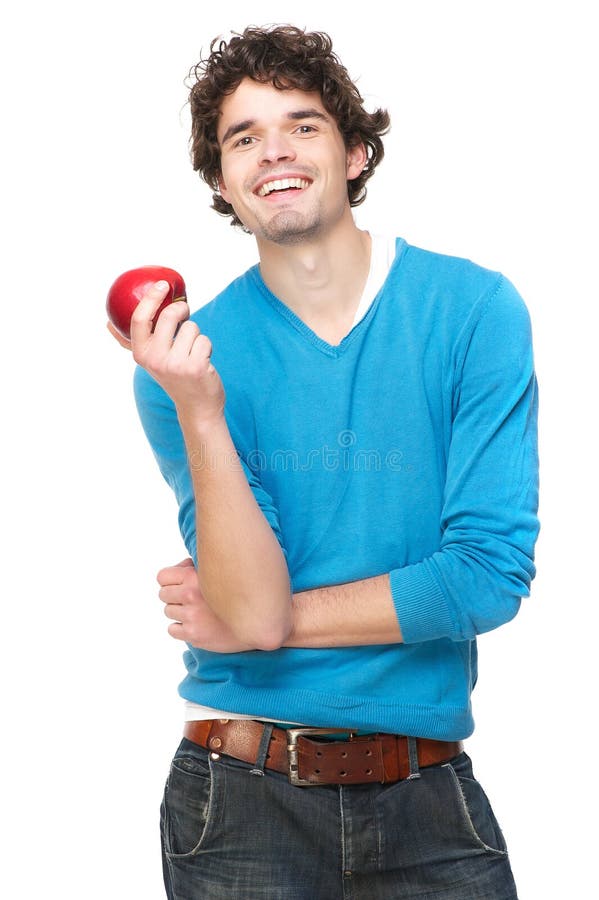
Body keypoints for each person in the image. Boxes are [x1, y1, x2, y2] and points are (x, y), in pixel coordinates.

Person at [109, 24, 539, 899]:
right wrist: (200, 408)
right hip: (236, 802)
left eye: (301, 125)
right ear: (223, 183)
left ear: (354, 152)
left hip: (427, 794)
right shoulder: (184, 367)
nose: (273, 150)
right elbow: (247, 603)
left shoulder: (473, 309)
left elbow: (485, 578)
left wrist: (259, 621)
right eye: (243, 137)